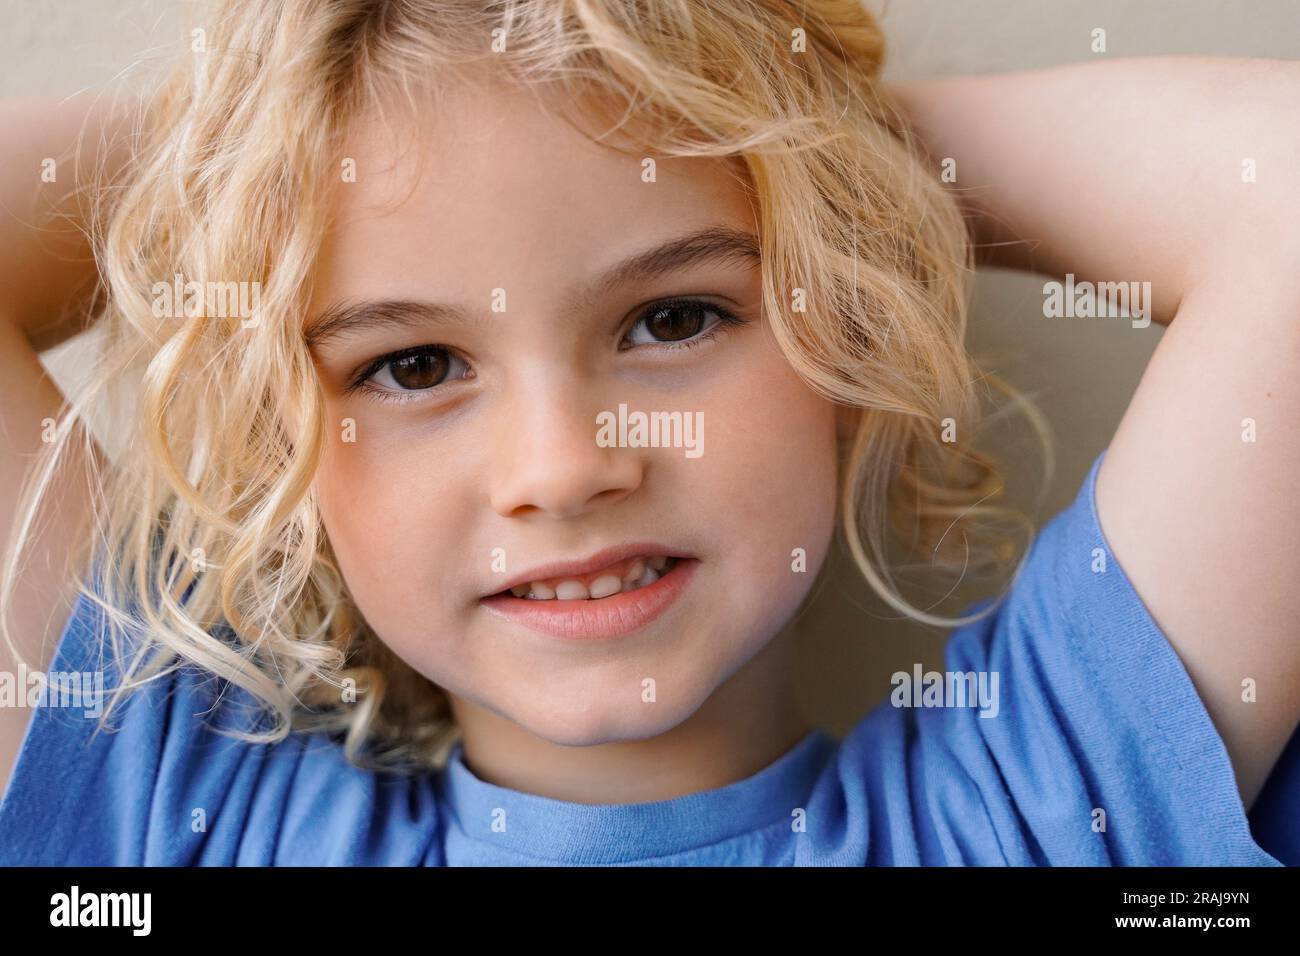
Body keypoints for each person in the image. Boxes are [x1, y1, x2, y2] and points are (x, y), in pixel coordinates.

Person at [1, 0, 1296, 866]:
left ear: (844, 328)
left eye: (673, 317)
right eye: (412, 363)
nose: (564, 467)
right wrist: (256, 153)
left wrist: (826, 162)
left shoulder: (1032, 818)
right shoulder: (188, 826)